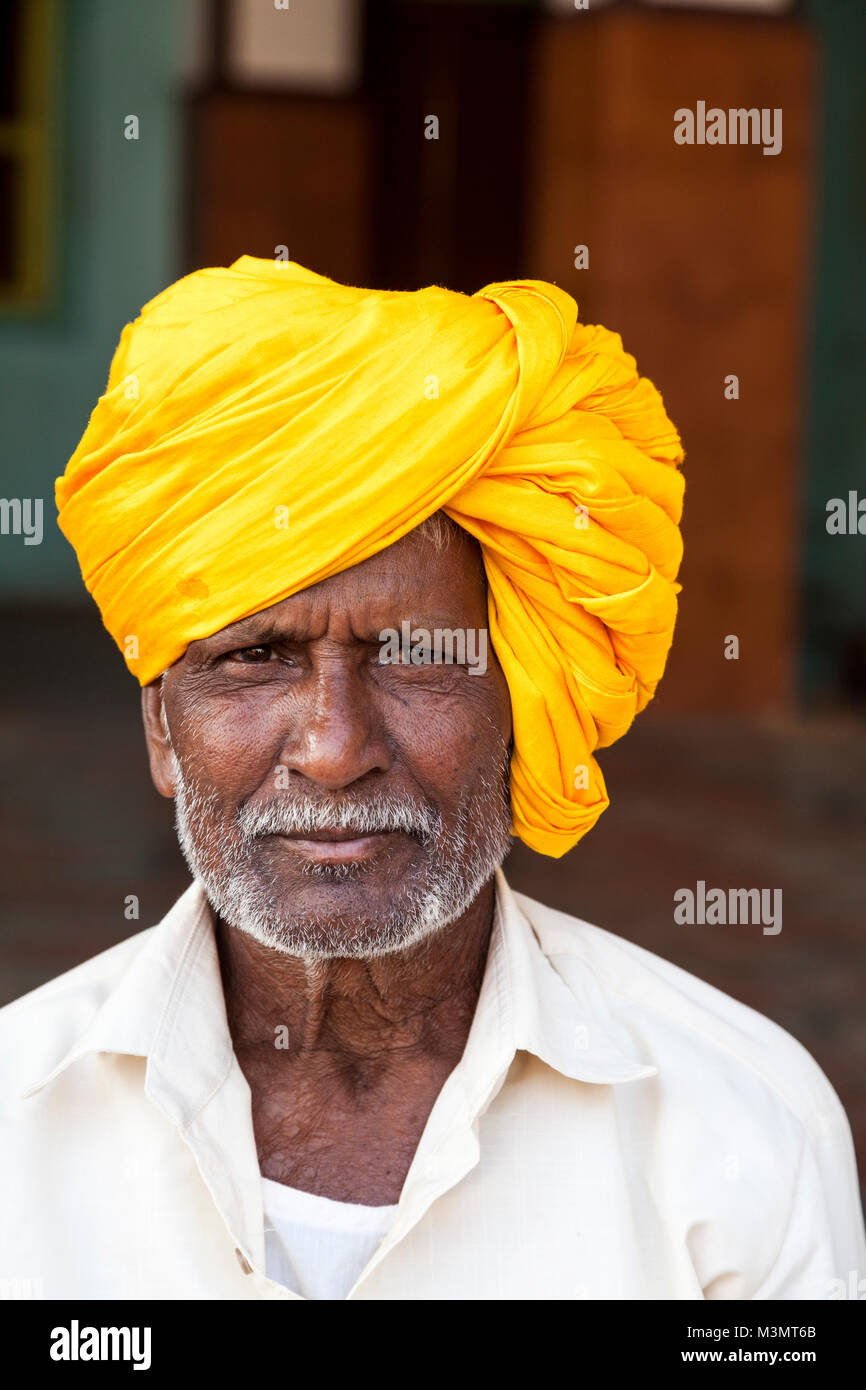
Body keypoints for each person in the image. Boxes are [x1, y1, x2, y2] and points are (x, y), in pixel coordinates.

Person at [1, 259, 862, 1300]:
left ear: (522, 698)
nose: (332, 746)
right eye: (256, 658)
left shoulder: (739, 1132)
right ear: (160, 726)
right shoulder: (18, 1117)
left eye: (417, 656)